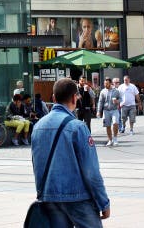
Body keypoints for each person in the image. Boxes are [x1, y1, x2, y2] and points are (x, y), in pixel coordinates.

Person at [31, 78, 110, 227]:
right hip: (77, 198)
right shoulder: (78, 127)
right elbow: (91, 171)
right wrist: (103, 202)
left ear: (53, 98)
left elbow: (37, 165)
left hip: (49, 197)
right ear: (75, 98)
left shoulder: (38, 126)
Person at [97, 78, 121, 146]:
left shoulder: (116, 91)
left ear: (110, 83)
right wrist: (98, 111)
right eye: (105, 83)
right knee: (107, 126)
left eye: (107, 83)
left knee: (115, 123)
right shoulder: (103, 91)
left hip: (114, 110)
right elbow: (100, 102)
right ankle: (110, 140)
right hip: (106, 110)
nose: (105, 85)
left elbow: (120, 98)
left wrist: (117, 101)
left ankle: (115, 139)